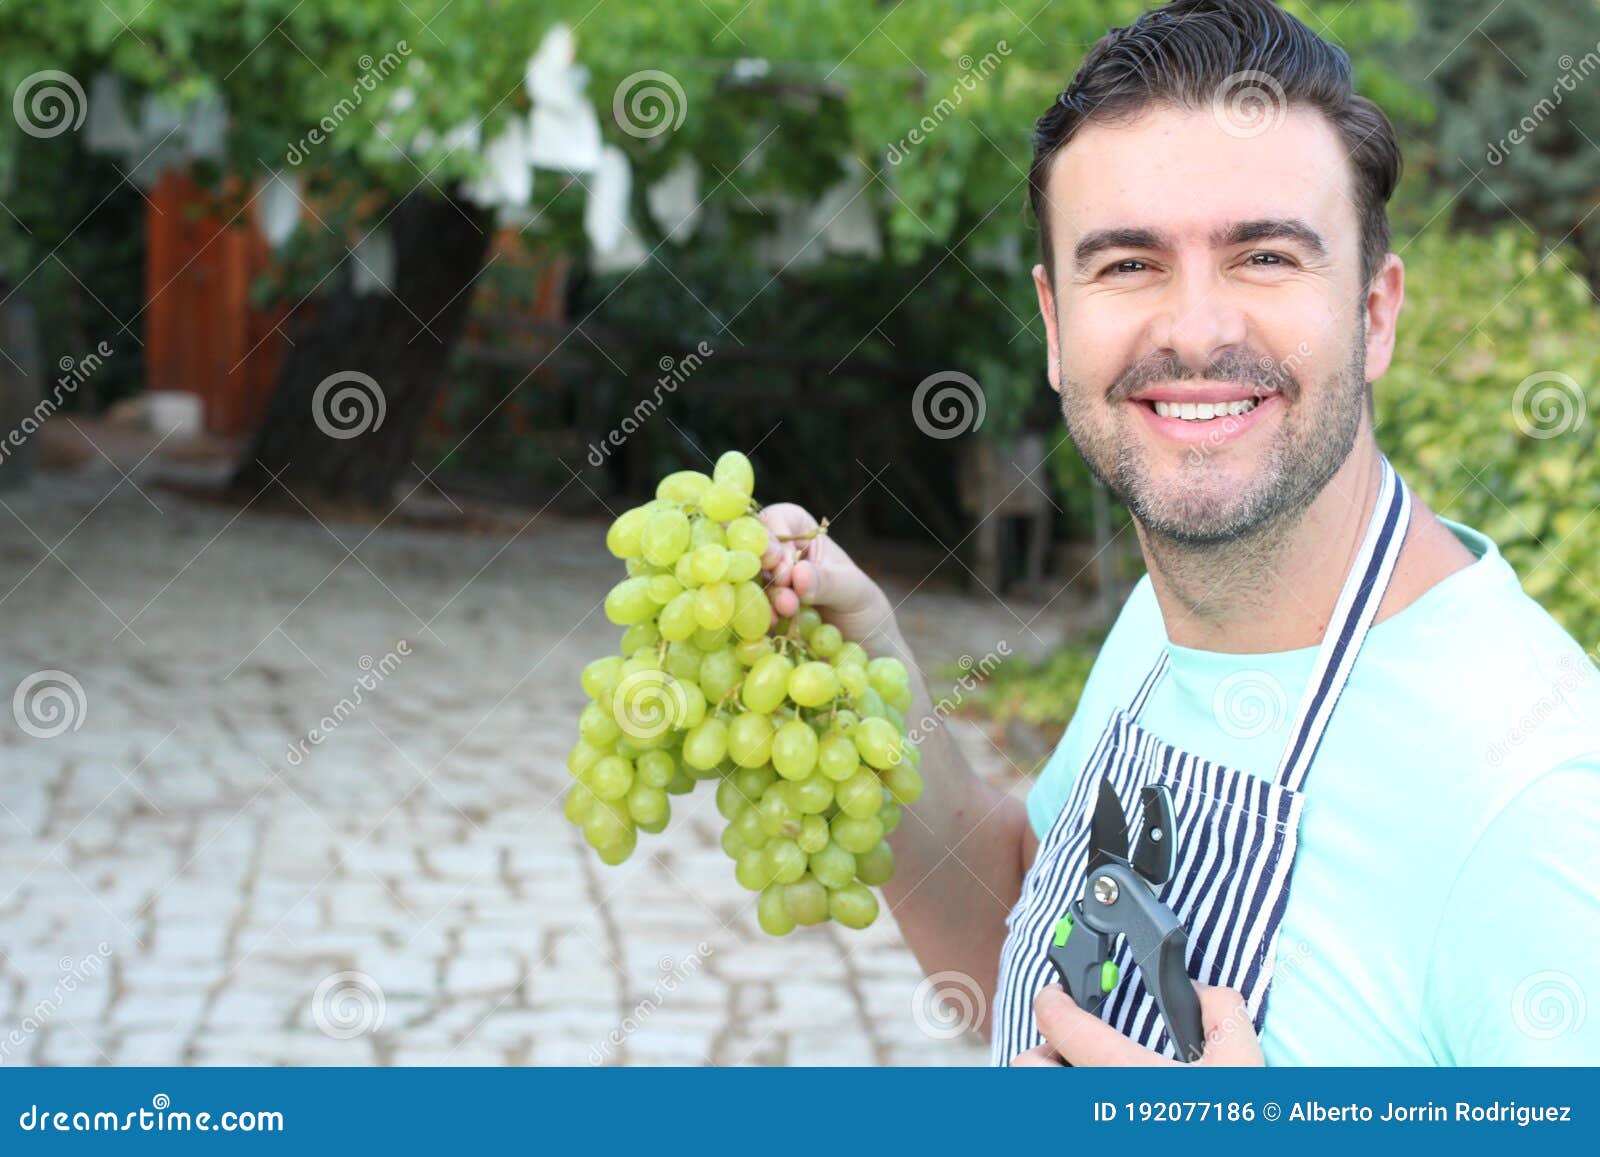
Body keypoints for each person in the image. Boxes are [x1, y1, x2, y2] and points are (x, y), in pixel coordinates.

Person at [758, 0, 1600, 1066]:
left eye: (1264, 257)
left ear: (1374, 313)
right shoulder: (1173, 608)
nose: (1197, 328)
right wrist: (869, 678)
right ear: (1056, 327)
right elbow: (1028, 923)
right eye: (1126, 264)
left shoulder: (1534, 804)